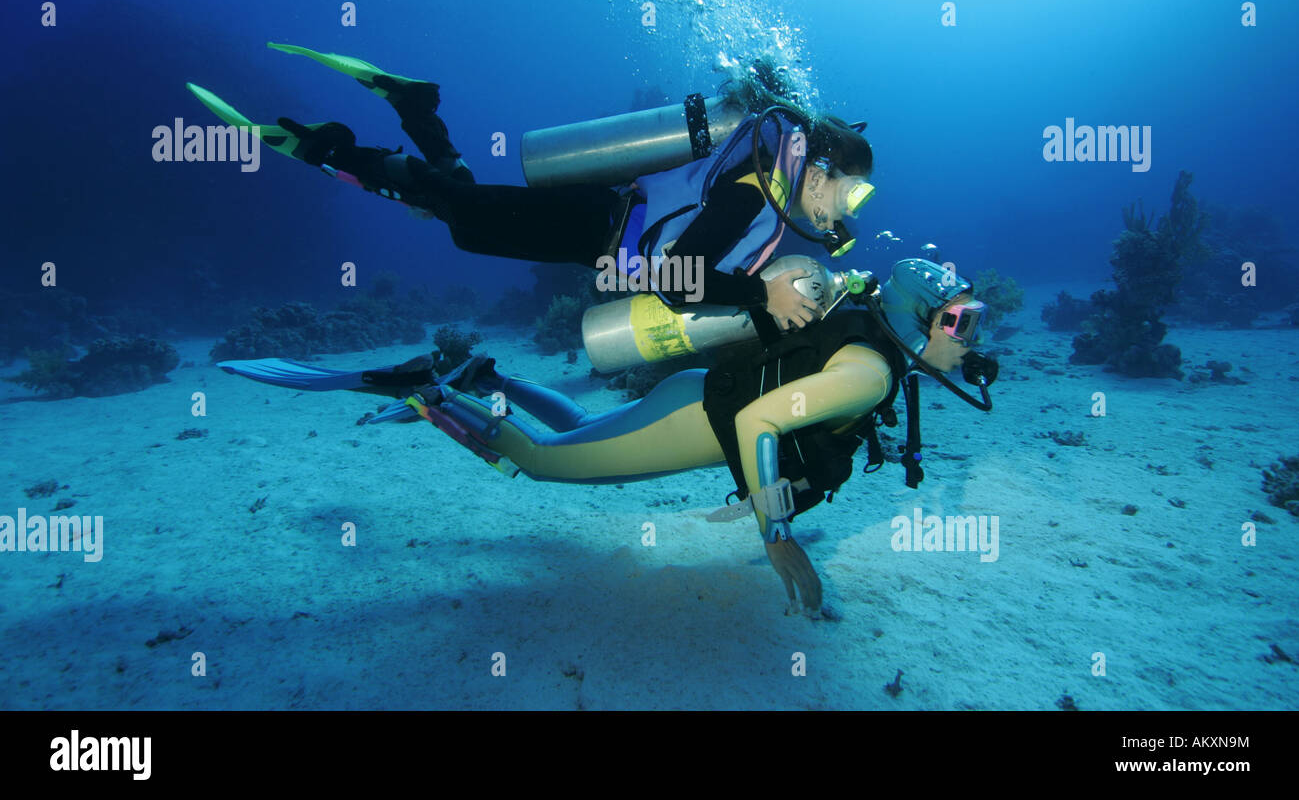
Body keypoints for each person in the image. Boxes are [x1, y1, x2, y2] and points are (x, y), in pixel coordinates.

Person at [220, 258, 997, 615]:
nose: (968, 335)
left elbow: (798, 421)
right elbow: (763, 421)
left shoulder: (872, 346)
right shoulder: (872, 371)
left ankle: (487, 376)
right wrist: (778, 534)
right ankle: (423, 391)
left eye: (973, 319)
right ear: (911, 318)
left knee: (584, 428)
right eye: (956, 321)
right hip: (692, 419)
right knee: (537, 464)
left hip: (693, 395)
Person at [193, 45, 875, 332]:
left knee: (461, 210)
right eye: (852, 195)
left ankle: (413, 109)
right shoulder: (757, 192)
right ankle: (334, 148)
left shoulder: (772, 172)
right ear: (818, 171)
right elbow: (675, 279)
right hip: (596, 225)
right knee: (461, 217)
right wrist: (761, 293)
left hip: (601, 225)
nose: (848, 211)